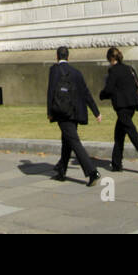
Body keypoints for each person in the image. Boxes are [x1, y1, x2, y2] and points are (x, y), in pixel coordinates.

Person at [99, 46, 138, 176]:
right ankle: (116, 163)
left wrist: (102, 95)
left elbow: (109, 89)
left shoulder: (113, 71)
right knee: (119, 134)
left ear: (110, 58)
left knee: (134, 136)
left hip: (122, 107)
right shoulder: (129, 69)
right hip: (132, 106)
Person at [46, 46, 100, 186]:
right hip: (75, 112)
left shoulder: (54, 70)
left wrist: (50, 113)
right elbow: (86, 93)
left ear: (57, 57)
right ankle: (61, 171)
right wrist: (96, 112)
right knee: (67, 140)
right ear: (68, 57)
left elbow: (51, 91)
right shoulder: (76, 73)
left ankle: (92, 172)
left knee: (73, 141)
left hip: (62, 112)